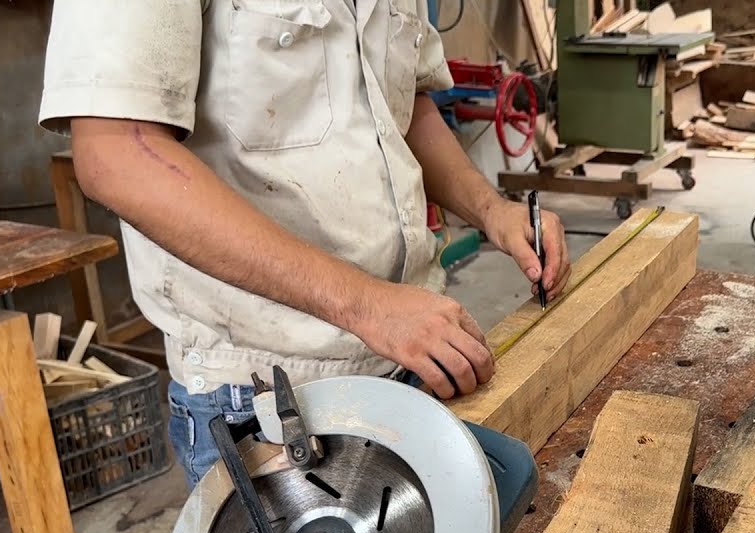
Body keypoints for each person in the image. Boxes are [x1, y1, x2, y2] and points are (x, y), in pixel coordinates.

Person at [37, 0, 570, 487]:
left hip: (408, 350)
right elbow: (117, 157)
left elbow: (403, 107)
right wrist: (369, 305)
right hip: (265, 391)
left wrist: (492, 210)